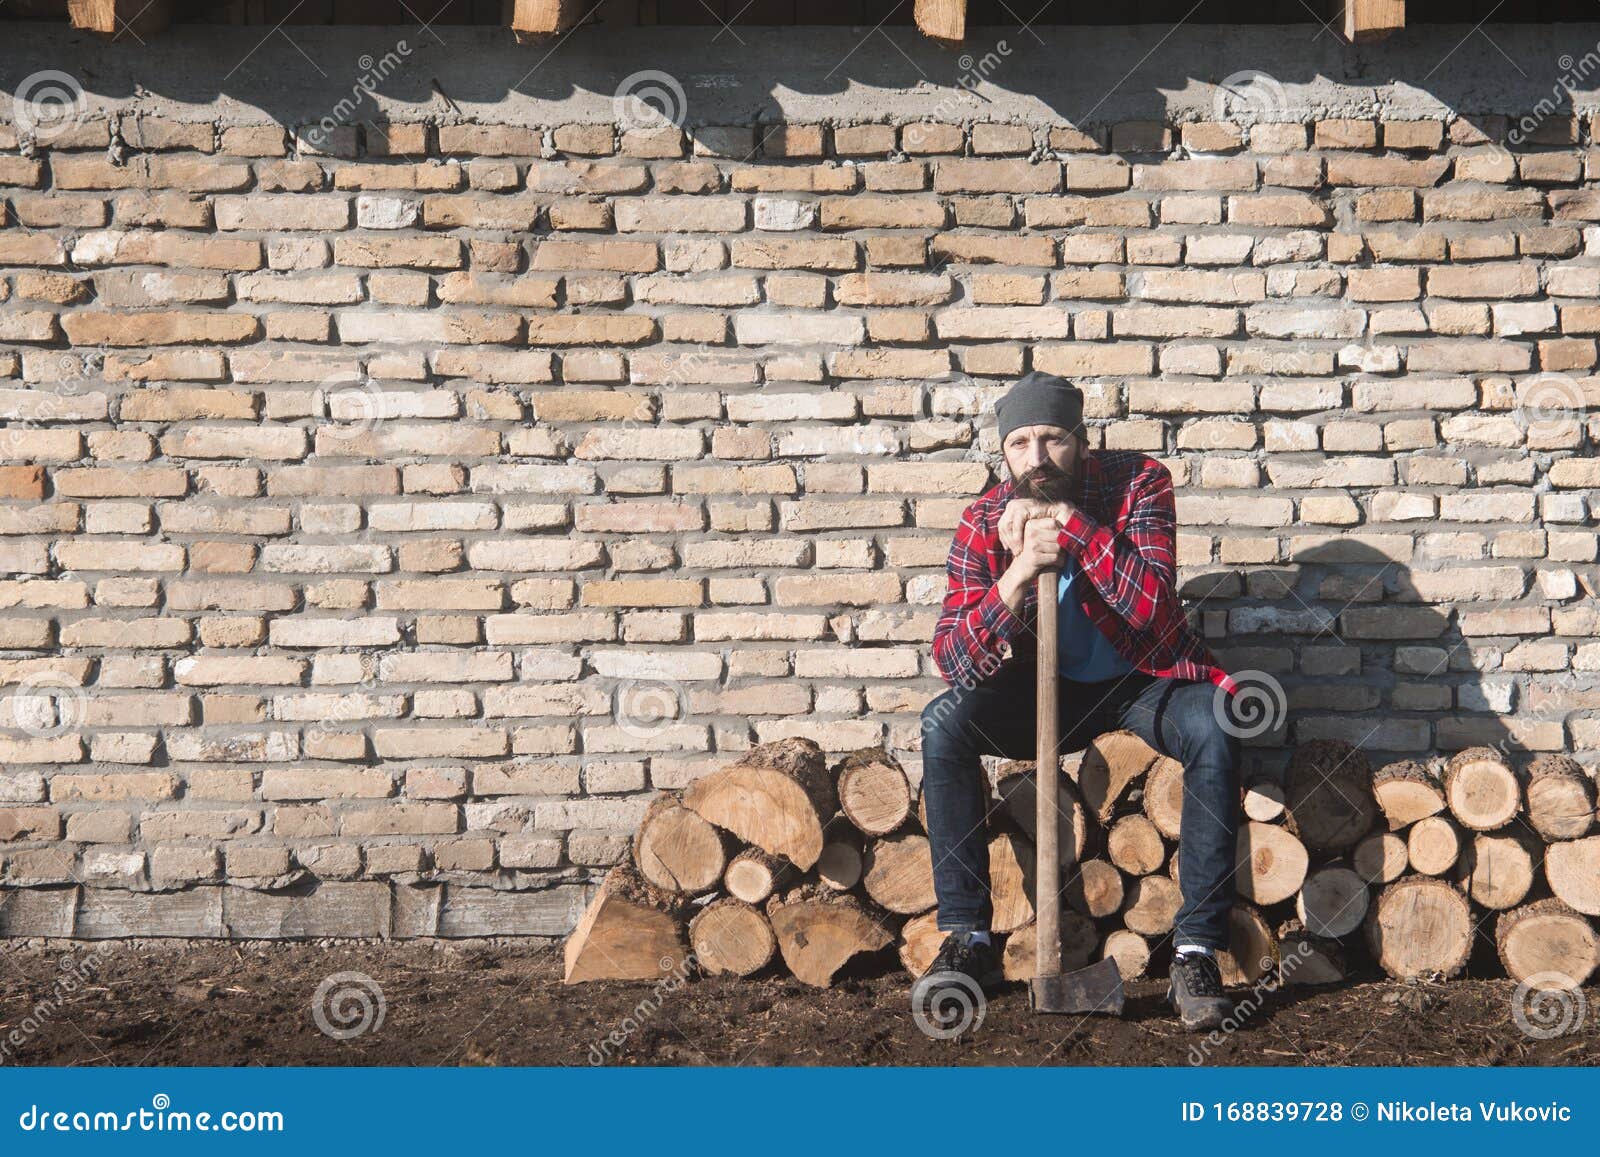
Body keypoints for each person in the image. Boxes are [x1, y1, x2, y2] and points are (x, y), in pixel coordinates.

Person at [919, 370, 1245, 1032]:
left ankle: (1195, 951)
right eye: (1021, 444)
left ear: (1081, 442)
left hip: (1140, 677)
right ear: (1003, 454)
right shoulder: (984, 520)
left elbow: (1153, 609)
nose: (1037, 458)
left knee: (1215, 726)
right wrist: (1014, 576)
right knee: (943, 724)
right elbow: (953, 657)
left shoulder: (1139, 486)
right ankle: (969, 938)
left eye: (1053, 440)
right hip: (1048, 692)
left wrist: (1075, 529)